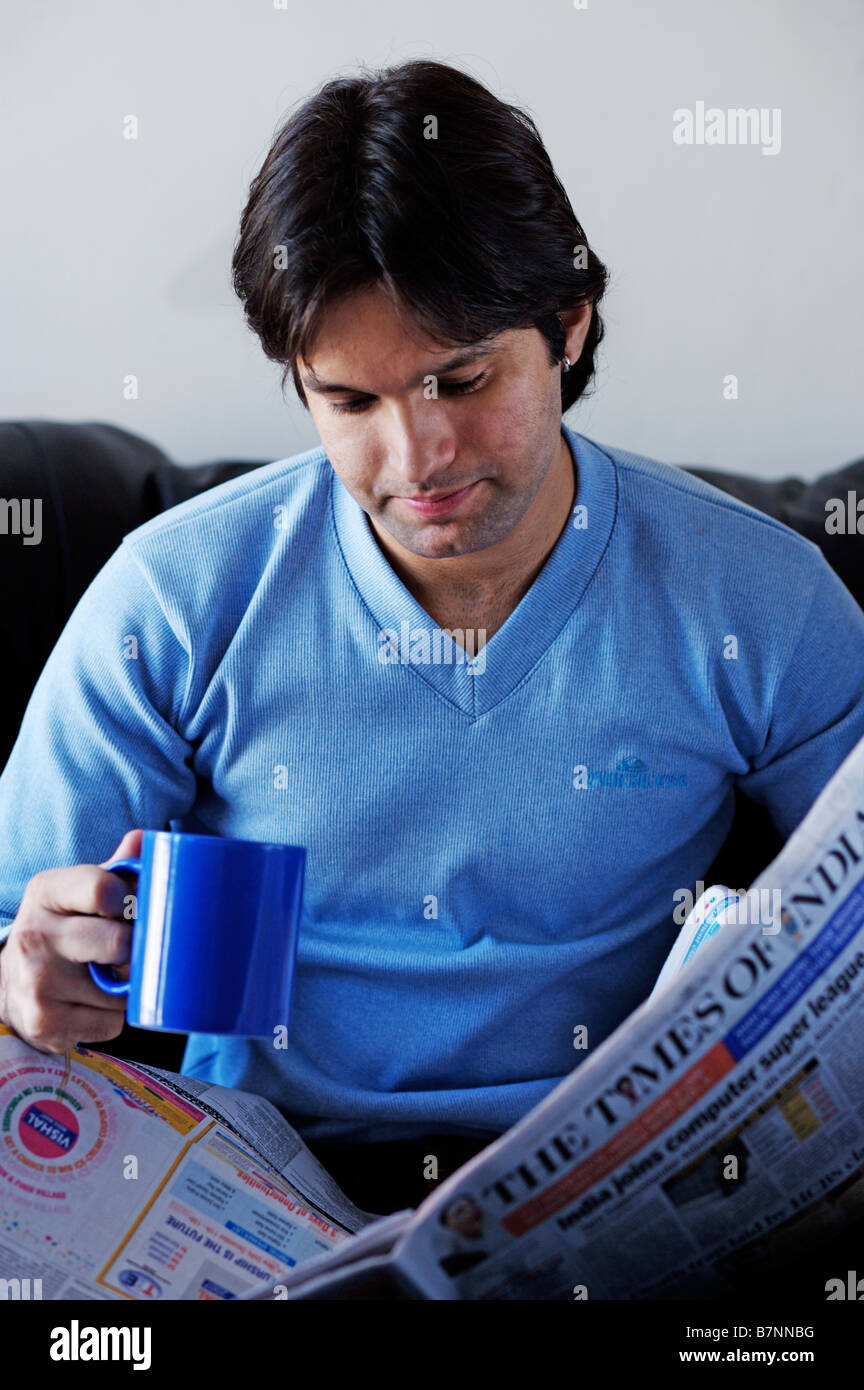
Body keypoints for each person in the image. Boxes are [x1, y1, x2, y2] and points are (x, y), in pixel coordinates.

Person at [1, 59, 863, 1215]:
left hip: (596, 1180)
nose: (419, 463)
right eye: (349, 403)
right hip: (262, 1181)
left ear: (567, 325)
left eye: (460, 381)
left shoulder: (759, 599)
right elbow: (17, 930)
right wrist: (31, 967)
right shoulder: (172, 598)